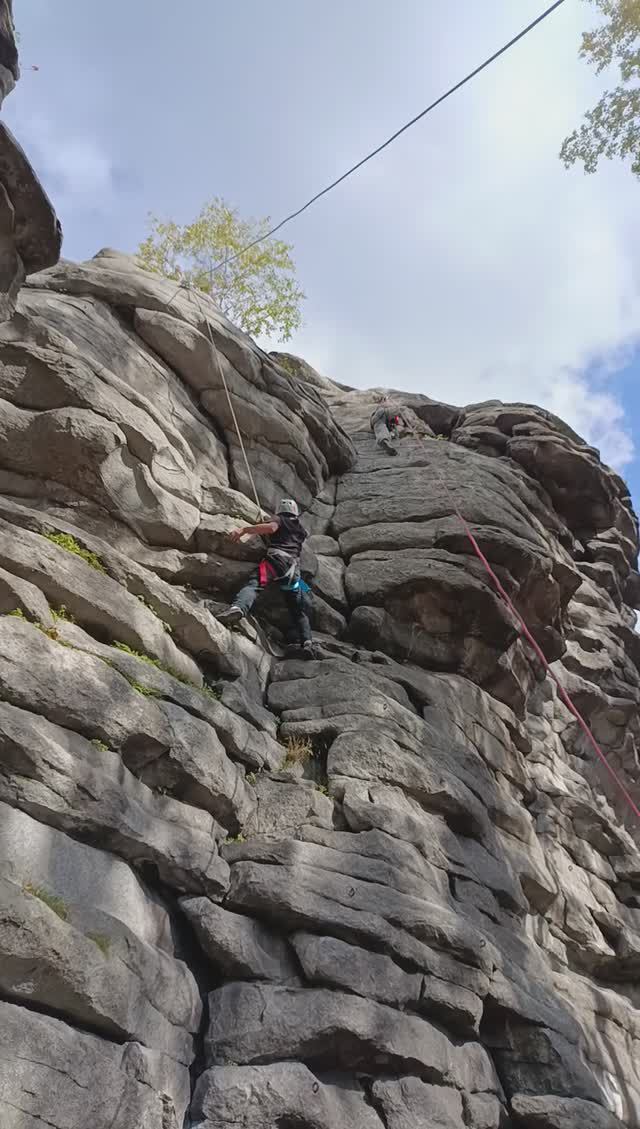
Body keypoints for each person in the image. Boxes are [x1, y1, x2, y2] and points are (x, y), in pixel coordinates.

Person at [217, 498, 317, 658]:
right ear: (295, 512)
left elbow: (271, 528)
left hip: (274, 561)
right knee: (297, 610)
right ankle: (307, 643)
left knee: (254, 584)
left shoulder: (279, 519)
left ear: (279, 511)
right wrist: (306, 588)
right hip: (292, 571)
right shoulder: (301, 530)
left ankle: (238, 608)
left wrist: (244, 530)